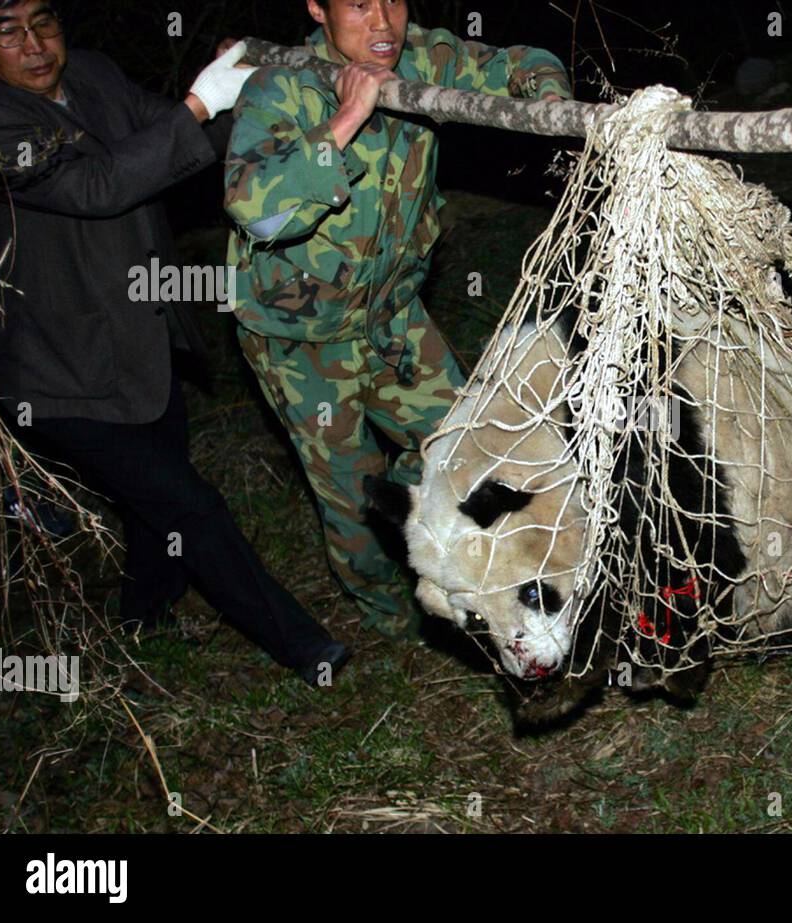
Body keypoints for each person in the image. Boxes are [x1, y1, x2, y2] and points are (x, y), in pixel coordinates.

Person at [0, 0, 350, 685]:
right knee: (189, 503)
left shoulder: (92, 74)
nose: (34, 45)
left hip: (141, 342)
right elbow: (98, 185)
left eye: (44, 22)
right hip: (60, 371)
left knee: (153, 507)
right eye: (6, 31)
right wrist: (201, 101)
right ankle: (306, 647)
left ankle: (144, 616)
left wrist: (249, 91)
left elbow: (184, 142)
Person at [224, 0, 571, 639]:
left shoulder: (424, 57)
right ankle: (388, 615)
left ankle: (471, 567)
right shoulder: (281, 89)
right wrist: (349, 116)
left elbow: (520, 65)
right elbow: (259, 210)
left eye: (393, 1)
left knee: (467, 450)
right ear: (317, 10)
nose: (382, 21)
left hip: (392, 318)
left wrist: (550, 106)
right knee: (353, 489)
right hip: (303, 340)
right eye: (358, 4)